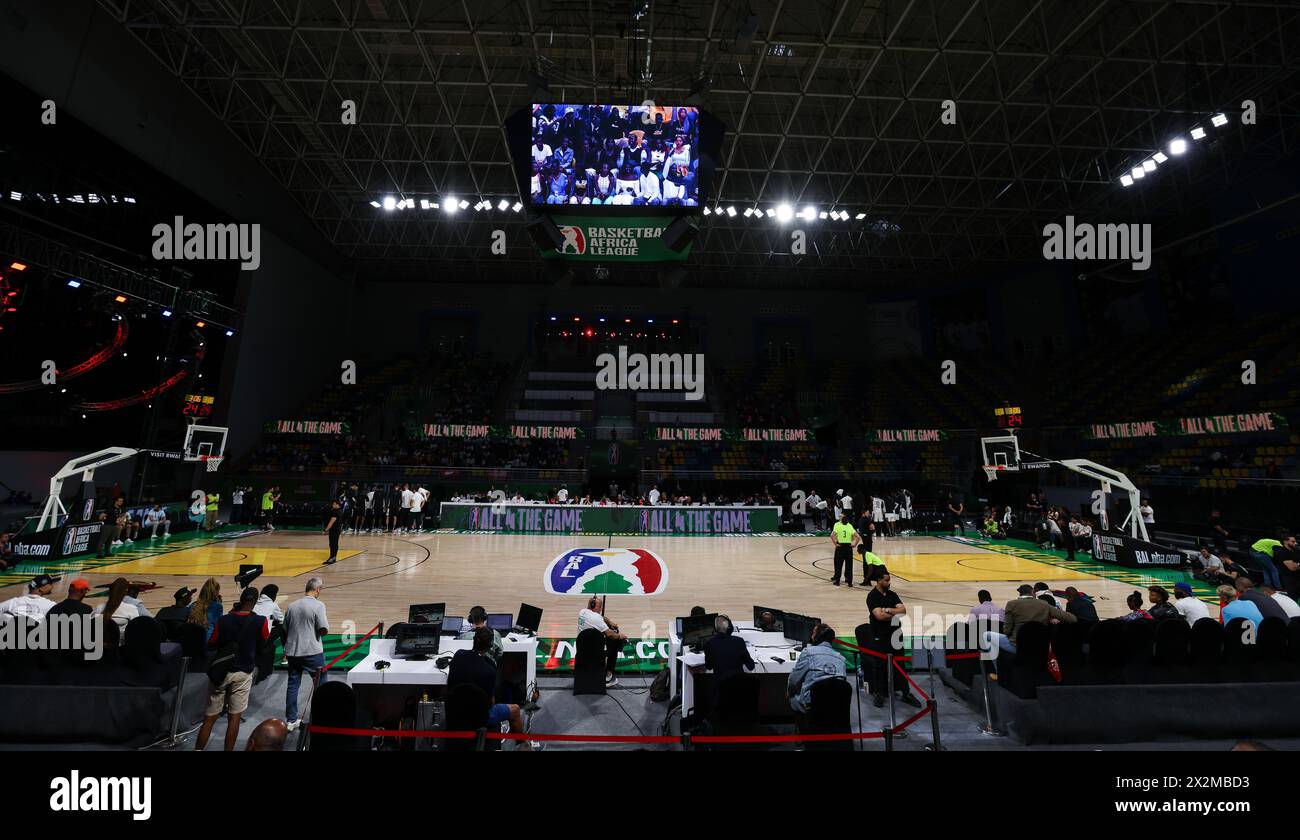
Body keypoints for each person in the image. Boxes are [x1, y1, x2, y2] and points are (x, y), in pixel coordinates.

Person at [195, 587, 268, 751]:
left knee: (209, 718)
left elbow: (212, 642)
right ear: (255, 602)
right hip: (243, 671)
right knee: (234, 718)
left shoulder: (224, 620)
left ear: (240, 601)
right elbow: (264, 643)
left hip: (221, 672)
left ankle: (197, 750)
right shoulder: (260, 621)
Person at [447, 627, 527, 740]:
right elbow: (491, 703)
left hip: (454, 711)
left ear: (474, 640)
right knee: (515, 709)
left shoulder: (459, 655)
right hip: (480, 717)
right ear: (490, 646)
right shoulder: (489, 669)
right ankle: (522, 746)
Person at [865, 574, 921, 708]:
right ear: (878, 580)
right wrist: (894, 613)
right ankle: (878, 693)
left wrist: (888, 610)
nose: (889, 582)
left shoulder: (892, 594)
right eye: (886, 580)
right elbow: (879, 616)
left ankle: (906, 693)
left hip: (896, 634)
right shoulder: (872, 596)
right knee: (880, 664)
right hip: (880, 635)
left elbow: (903, 611)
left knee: (900, 664)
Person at [283, 577, 329, 729]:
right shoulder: (319, 605)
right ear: (317, 590)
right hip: (312, 652)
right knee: (322, 685)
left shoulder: (291, 606)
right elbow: (323, 629)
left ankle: (291, 720)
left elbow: (285, 628)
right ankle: (322, 718)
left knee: (293, 684)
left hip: (293, 652)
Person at [987, 584, 1076, 655]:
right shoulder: (1044, 604)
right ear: (1032, 592)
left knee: (986, 635)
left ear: (1020, 594)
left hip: (1018, 646)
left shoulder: (1011, 604)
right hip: (1040, 645)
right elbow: (1071, 619)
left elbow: (1007, 631)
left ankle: (995, 672)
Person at [785, 622, 846, 715]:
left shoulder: (808, 652)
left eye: (813, 633)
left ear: (817, 637)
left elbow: (794, 679)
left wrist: (789, 691)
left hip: (812, 706)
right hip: (835, 706)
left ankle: (802, 726)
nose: (812, 636)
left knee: (792, 696)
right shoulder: (841, 658)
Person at [577, 595, 627, 686]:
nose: (600, 610)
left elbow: (600, 617)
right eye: (600, 607)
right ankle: (608, 676)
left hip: (581, 649)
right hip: (595, 652)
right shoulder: (596, 619)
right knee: (615, 642)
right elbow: (609, 634)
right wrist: (620, 636)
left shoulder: (582, 612)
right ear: (597, 607)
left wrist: (609, 621)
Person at [702, 614, 756, 682]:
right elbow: (751, 666)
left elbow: (709, 667)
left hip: (720, 687)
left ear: (715, 628)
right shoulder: (739, 641)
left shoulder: (708, 644)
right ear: (729, 627)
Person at [189, 577, 224, 642]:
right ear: (215, 592)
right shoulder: (218, 606)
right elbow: (219, 625)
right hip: (209, 641)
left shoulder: (193, 605)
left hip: (193, 640)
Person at [830, 513, 860, 587]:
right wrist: (855, 544)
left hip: (840, 546)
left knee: (839, 565)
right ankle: (850, 582)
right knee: (849, 565)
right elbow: (858, 537)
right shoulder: (850, 526)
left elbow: (831, 536)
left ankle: (837, 581)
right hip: (848, 547)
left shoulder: (838, 526)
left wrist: (836, 544)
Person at [323, 500, 342, 565]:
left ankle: (332, 557)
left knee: (333, 544)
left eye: (334, 504)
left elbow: (332, 521)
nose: (332, 505)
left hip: (334, 530)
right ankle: (333, 557)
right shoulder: (339, 511)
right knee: (333, 544)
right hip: (336, 530)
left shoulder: (336, 512)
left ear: (337, 504)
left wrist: (326, 529)